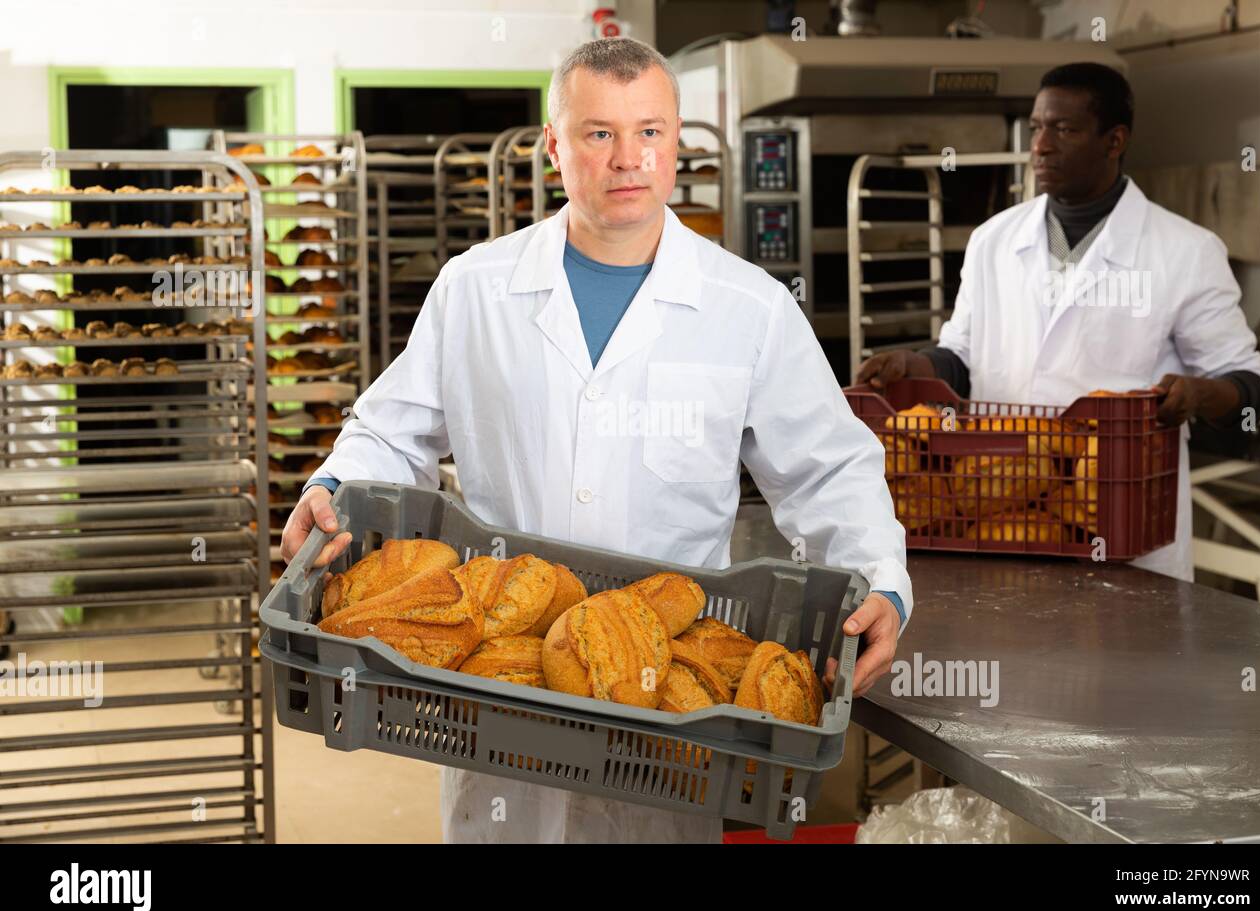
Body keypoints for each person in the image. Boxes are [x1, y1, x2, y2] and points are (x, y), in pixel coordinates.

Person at [280, 37, 912, 843]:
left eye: (649, 131)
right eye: (598, 133)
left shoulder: (747, 308)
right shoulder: (476, 289)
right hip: (497, 697)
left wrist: (883, 580)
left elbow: (828, 470)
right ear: (554, 146)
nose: (627, 159)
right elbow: (389, 432)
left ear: (675, 142)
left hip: (666, 712)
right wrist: (331, 487)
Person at [856, 62, 1260, 582]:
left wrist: (1200, 394)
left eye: (1064, 130)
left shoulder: (1185, 251)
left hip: (1121, 532)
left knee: (1125, 659)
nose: (1041, 145)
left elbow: (1250, 389)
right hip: (1002, 513)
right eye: (1036, 128)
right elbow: (960, 358)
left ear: (1114, 140)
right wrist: (914, 363)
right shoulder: (994, 241)